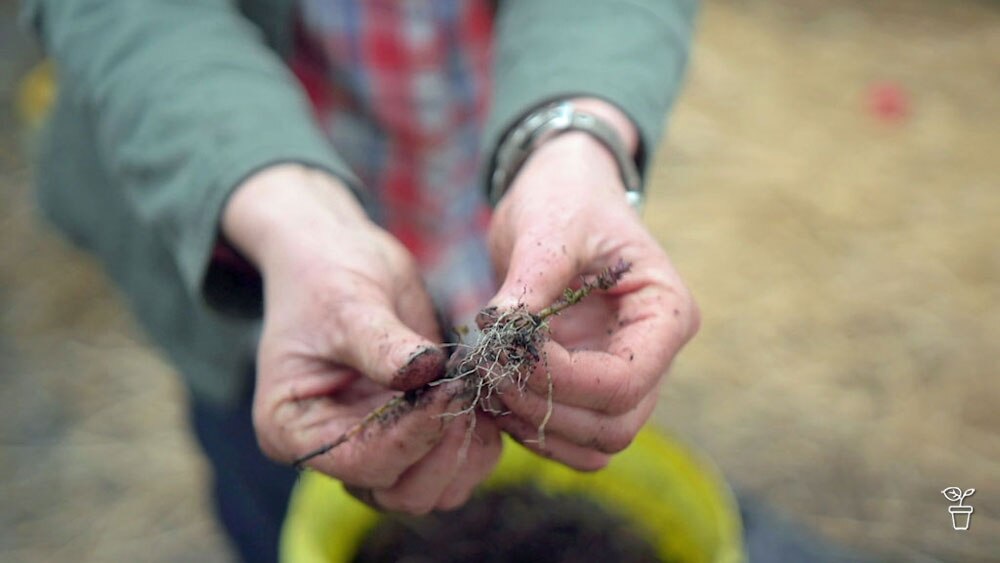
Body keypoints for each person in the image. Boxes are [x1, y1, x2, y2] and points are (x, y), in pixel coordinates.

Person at [21, 0, 699, 560]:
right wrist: (283, 212)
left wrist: (573, 139)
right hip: (260, 264)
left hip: (503, 204)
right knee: (286, 484)